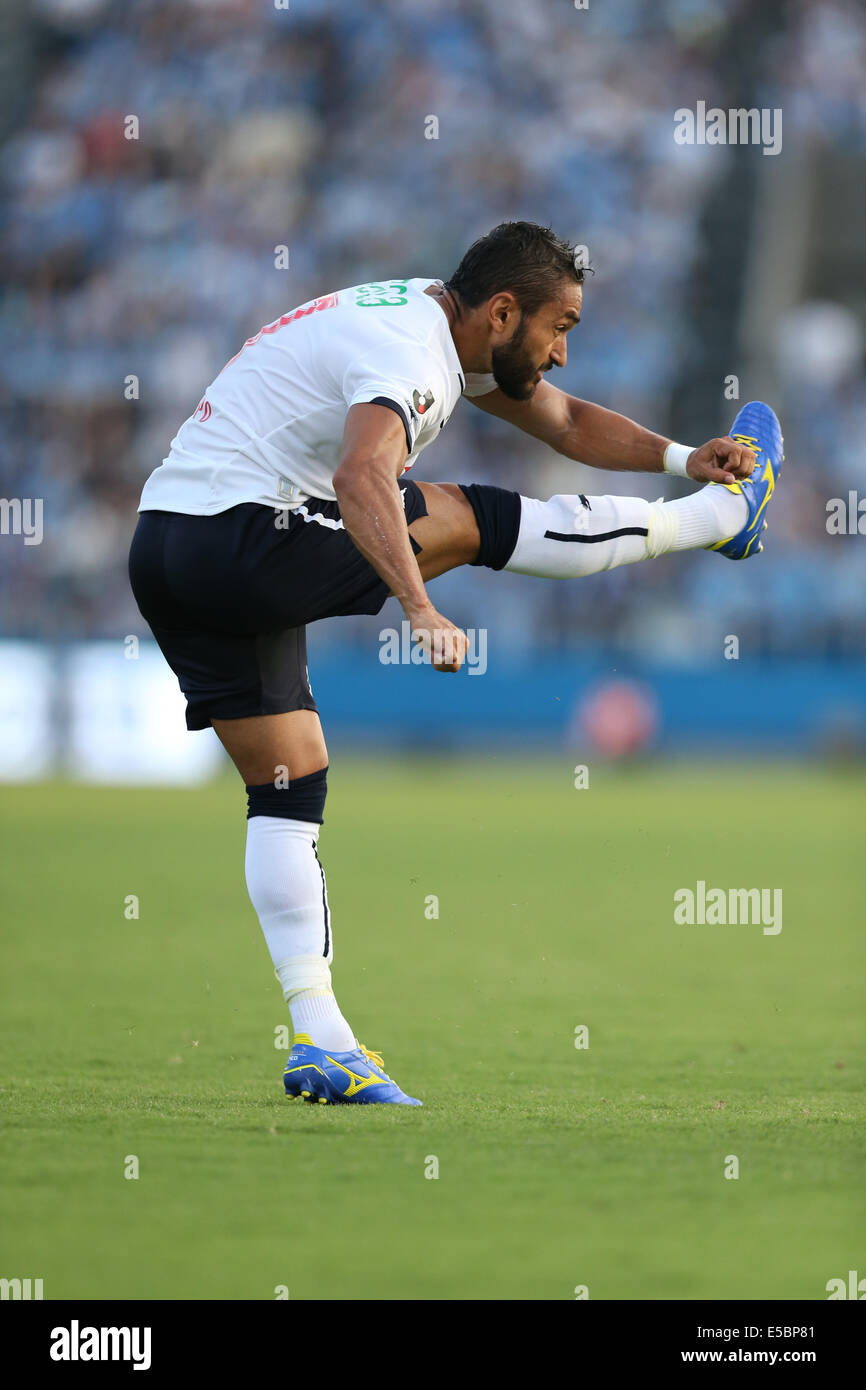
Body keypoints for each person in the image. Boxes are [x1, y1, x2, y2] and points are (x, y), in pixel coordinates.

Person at [128, 221, 783, 1106]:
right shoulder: (412, 353)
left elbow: (565, 422)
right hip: (244, 535)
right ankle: (720, 521)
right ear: (503, 312)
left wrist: (680, 458)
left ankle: (321, 1038)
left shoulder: (437, 325)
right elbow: (362, 478)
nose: (561, 352)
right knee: (474, 518)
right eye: (561, 327)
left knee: (288, 785)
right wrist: (419, 605)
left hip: (168, 545)